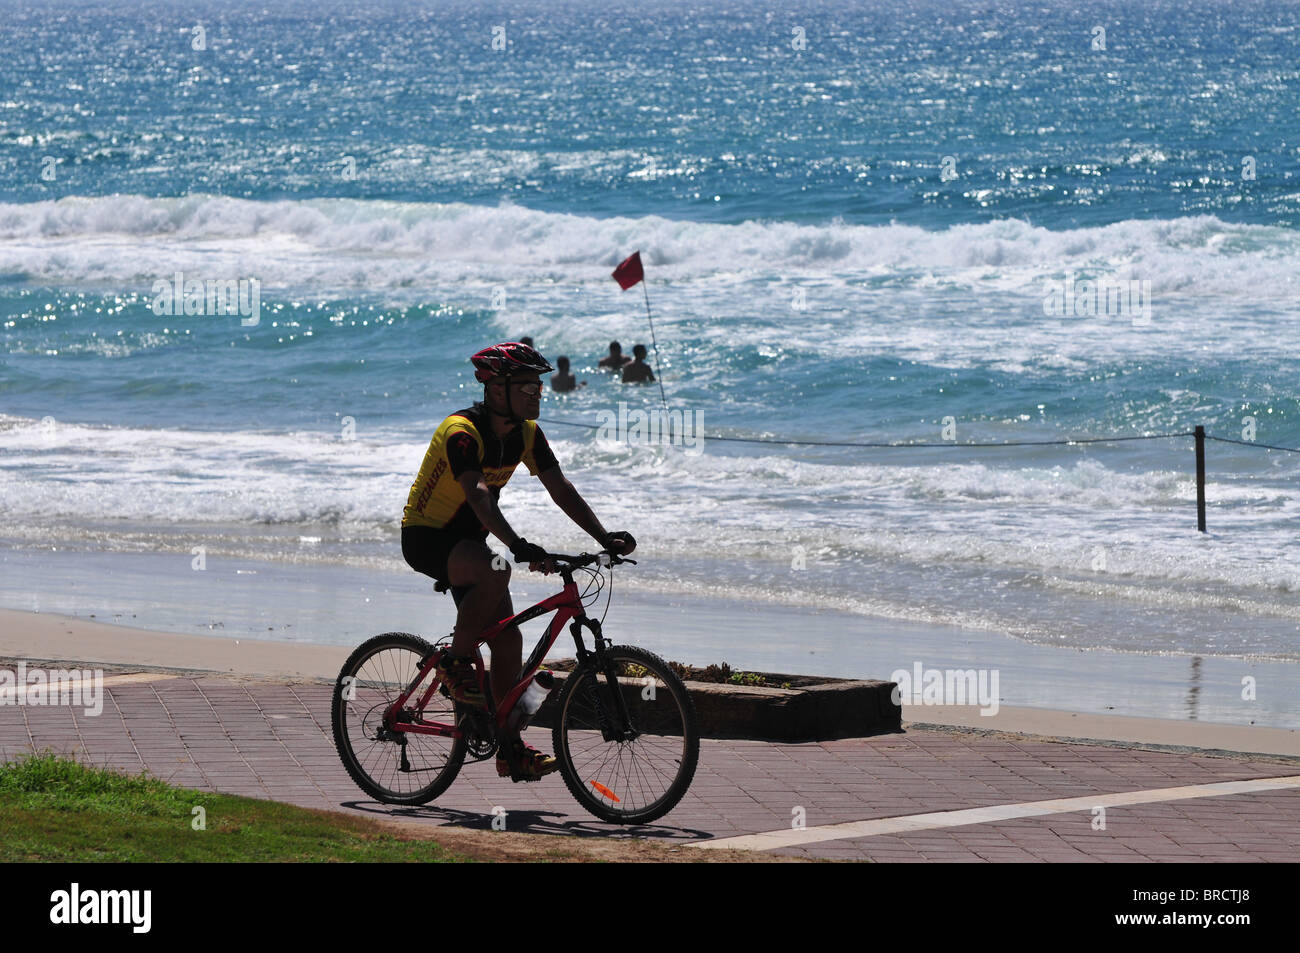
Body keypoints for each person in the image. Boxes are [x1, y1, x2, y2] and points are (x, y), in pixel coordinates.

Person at [400, 342, 636, 781]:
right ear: (495, 389)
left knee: (509, 643)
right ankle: (454, 663)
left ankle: (509, 748)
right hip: (427, 537)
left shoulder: (526, 433)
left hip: (470, 541)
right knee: (500, 568)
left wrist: (604, 538)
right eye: (526, 386)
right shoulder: (461, 432)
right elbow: (478, 494)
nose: (536, 394)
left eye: (538, 387)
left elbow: (560, 488)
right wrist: (518, 543)